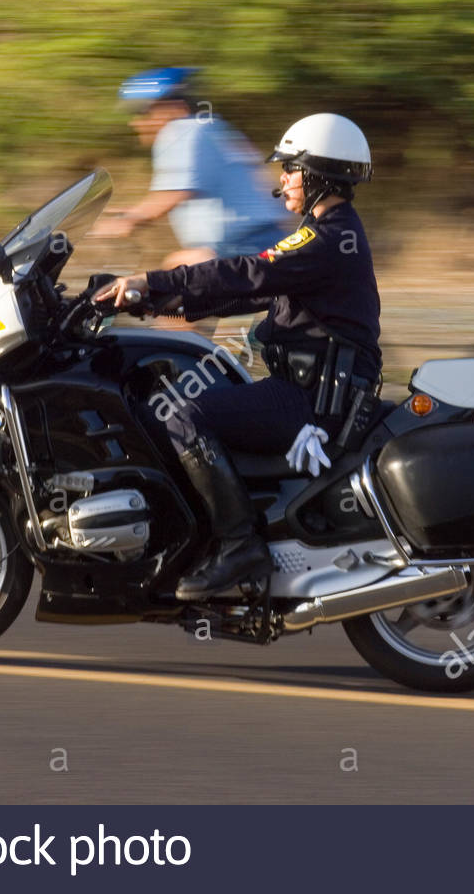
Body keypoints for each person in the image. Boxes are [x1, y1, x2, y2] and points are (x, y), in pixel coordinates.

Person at [96, 113, 381, 600]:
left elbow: (248, 272)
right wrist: (154, 303)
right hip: (311, 390)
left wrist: (154, 279)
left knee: (182, 415)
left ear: (318, 175)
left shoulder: (326, 239)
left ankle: (239, 546)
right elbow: (249, 296)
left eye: (291, 168)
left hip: (310, 401)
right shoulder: (327, 234)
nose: (283, 179)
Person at [93, 67, 290, 270]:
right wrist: (131, 213)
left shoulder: (180, 130)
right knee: (172, 278)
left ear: (174, 106)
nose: (135, 122)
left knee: (164, 282)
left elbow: (177, 192)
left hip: (240, 247)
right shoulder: (210, 127)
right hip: (259, 240)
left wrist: (130, 220)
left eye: (143, 110)